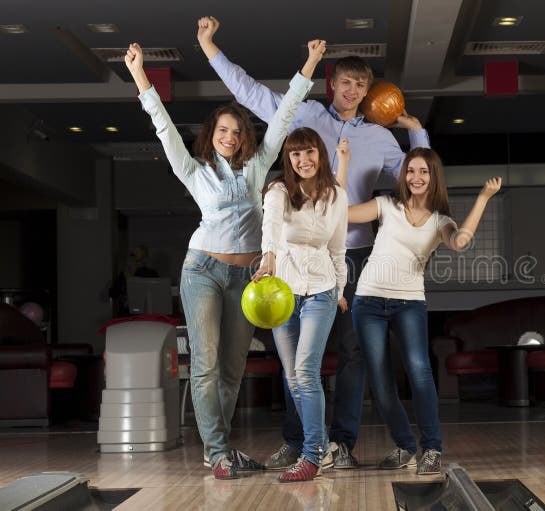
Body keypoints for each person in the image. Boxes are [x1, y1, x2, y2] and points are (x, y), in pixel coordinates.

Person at [197, 15, 431, 470]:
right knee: (295, 354)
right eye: (345, 82)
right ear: (332, 83)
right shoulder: (301, 115)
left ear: (368, 92)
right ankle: (299, 439)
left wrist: (415, 129)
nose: (351, 91)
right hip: (293, 255)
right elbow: (249, 92)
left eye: (360, 85)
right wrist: (209, 47)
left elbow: (415, 180)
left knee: (353, 352)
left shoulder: (381, 138)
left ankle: (340, 443)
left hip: (357, 253)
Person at [123, 38, 323, 480]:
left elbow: (286, 111)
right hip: (203, 272)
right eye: (222, 131)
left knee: (232, 369)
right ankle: (216, 453)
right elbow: (162, 125)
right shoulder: (193, 169)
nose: (230, 137)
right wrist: (140, 74)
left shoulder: (257, 166)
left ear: (245, 136)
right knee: (206, 363)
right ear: (211, 136)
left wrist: (309, 62)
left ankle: (222, 450)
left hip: (246, 277)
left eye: (237, 131)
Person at [337, 147, 501, 475]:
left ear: (433, 177)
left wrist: (483, 198)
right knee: (381, 384)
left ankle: (431, 449)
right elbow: (340, 213)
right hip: (367, 302)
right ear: (404, 176)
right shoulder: (386, 205)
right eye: (411, 171)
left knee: (420, 373)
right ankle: (405, 446)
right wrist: (342, 165)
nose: (416, 177)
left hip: (409, 302)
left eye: (423, 171)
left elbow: (460, 242)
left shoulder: (442, 221)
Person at [253, 131, 348, 482]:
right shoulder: (278, 191)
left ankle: (312, 456)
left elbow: (338, 249)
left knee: (306, 373)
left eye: (309, 152)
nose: (303, 160)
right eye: (295, 155)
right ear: (288, 160)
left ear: (319, 154)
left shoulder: (337, 195)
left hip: (321, 292)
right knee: (293, 378)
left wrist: (340, 288)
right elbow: (271, 225)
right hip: (283, 294)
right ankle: (322, 448)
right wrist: (268, 258)